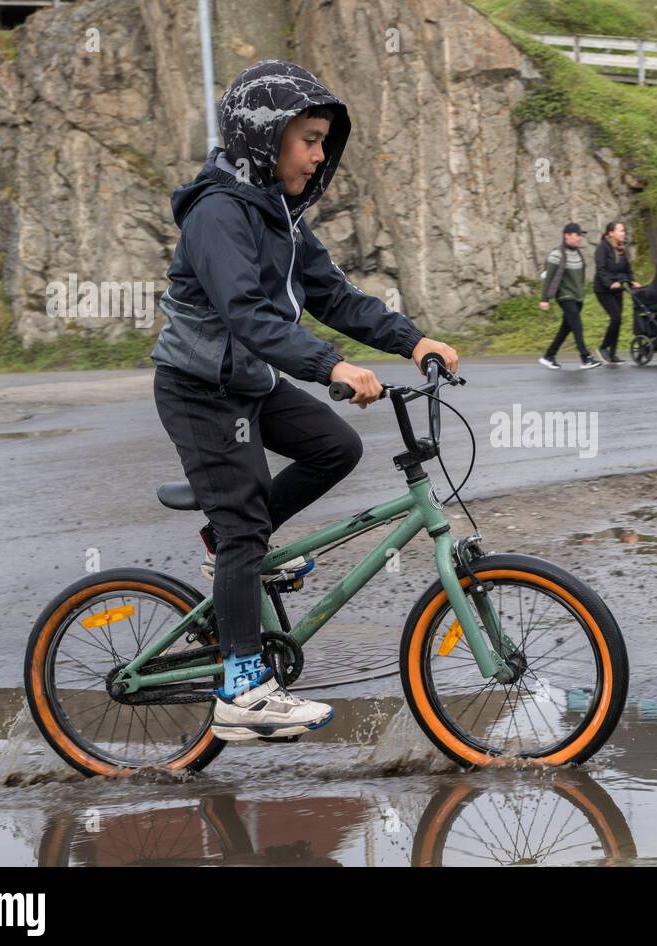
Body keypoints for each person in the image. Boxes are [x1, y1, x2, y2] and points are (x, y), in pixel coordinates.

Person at [149, 59, 458, 741]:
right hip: (200, 391)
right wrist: (333, 367)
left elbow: (334, 296)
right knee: (243, 527)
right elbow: (248, 315)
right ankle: (241, 692)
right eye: (308, 140)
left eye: (323, 142)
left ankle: (238, 547)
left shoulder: (280, 216)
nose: (319, 156)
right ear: (263, 138)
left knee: (335, 446)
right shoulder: (218, 215)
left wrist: (413, 342)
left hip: (248, 383)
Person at [538, 223, 602, 371]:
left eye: (581, 235)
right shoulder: (557, 254)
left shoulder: (577, 253)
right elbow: (549, 278)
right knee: (577, 326)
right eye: (577, 235)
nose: (580, 238)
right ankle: (585, 358)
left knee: (566, 328)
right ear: (567, 235)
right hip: (565, 296)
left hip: (577, 296)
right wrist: (544, 299)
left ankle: (549, 356)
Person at [593, 220, 640, 364]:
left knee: (618, 320)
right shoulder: (602, 248)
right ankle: (603, 349)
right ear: (611, 233)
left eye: (624, 230)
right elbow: (601, 270)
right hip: (603, 289)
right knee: (616, 318)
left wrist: (632, 281)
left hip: (618, 288)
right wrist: (610, 283)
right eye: (620, 230)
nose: (623, 233)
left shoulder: (621, 249)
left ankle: (612, 354)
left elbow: (627, 269)